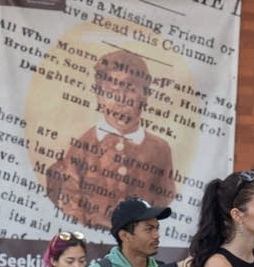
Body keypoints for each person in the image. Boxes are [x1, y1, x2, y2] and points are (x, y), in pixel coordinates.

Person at [44, 50, 177, 230]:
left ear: (144, 95)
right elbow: (71, 205)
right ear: (99, 96)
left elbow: (166, 201)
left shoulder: (159, 150)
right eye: (111, 91)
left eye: (130, 89)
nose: (121, 99)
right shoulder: (81, 146)